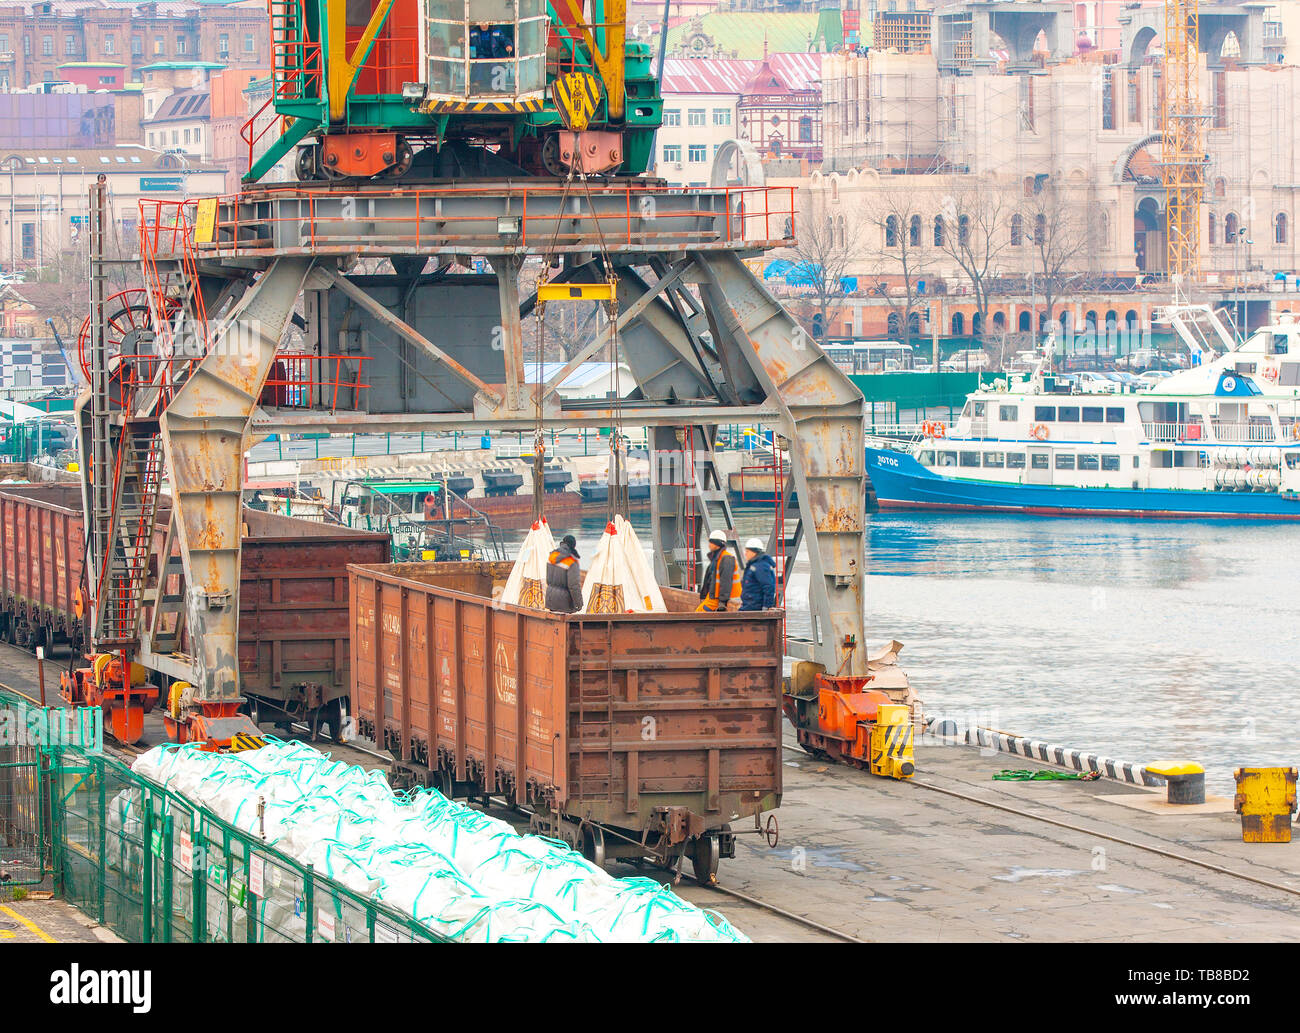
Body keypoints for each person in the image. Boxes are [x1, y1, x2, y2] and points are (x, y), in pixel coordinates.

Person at [697, 529, 741, 612]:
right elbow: (710, 580)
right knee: (697, 613)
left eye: (711, 542)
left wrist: (722, 603)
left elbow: (726, 582)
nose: (709, 545)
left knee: (699, 614)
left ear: (717, 544)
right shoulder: (717, 558)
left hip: (722, 599)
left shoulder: (726, 559)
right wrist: (703, 596)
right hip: (714, 597)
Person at [546, 533, 583, 613]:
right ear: (573, 546)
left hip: (550, 599)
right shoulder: (571, 562)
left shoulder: (552, 556)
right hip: (565, 602)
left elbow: (548, 580)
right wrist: (578, 604)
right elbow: (574, 586)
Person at [739, 538, 776, 611]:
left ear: (754, 552)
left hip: (754, 607)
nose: (745, 554)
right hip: (749, 605)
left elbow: (768, 586)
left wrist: (766, 606)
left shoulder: (761, 566)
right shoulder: (754, 565)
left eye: (747, 551)